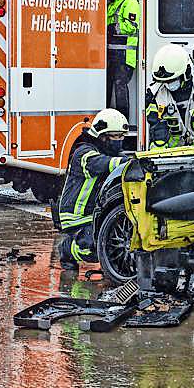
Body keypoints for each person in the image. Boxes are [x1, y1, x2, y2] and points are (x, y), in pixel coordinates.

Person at [56, 108, 129, 270]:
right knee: (97, 249)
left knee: (117, 243)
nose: (119, 140)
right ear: (102, 137)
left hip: (95, 213)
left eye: (121, 136)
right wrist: (125, 163)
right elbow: (100, 164)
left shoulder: (109, 152)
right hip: (77, 216)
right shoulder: (84, 153)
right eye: (115, 136)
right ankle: (67, 249)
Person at [106, 0, 141, 116]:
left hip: (125, 57)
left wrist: (113, 28)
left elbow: (132, 27)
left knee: (120, 87)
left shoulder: (130, 3)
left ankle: (123, 122)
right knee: (107, 87)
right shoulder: (113, 4)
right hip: (112, 56)